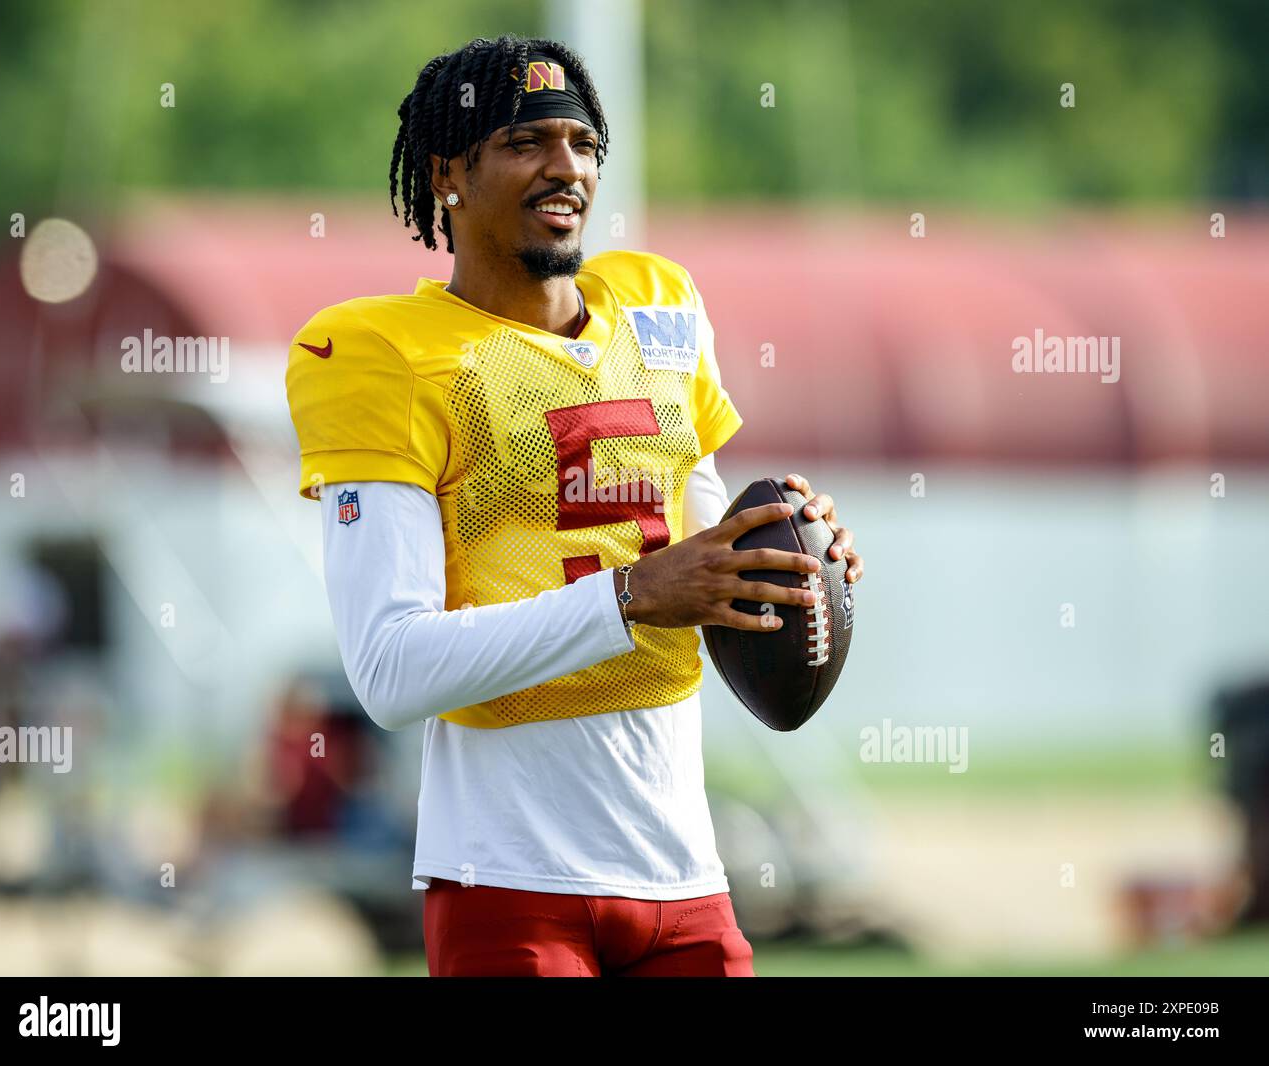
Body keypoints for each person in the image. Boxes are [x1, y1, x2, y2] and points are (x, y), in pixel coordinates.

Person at [285, 34, 864, 976]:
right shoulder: (384, 354)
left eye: (582, 142)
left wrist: (786, 551)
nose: (568, 168)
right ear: (447, 175)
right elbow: (388, 671)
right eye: (526, 142)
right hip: (508, 883)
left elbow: (705, 554)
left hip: (686, 879)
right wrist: (631, 597)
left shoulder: (659, 307)